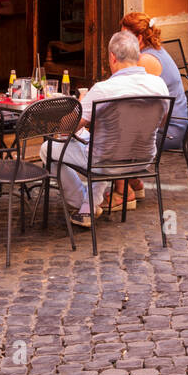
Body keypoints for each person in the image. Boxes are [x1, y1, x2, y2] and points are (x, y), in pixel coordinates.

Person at [38, 31, 169, 228]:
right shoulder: (159, 85)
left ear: (112, 58)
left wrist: (79, 105)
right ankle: (88, 207)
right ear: (138, 57)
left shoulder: (103, 89)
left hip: (106, 160)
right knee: (100, 143)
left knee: (48, 149)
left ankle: (84, 204)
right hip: (143, 159)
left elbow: (67, 128)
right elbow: (161, 123)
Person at [115, 11, 188, 207]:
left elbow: (124, 96)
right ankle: (134, 182)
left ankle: (123, 193)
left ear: (139, 38)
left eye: (125, 37)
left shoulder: (144, 60)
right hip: (174, 123)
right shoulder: (155, 51)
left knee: (115, 131)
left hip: (169, 131)